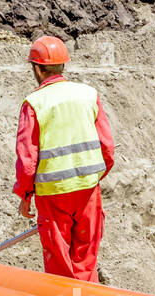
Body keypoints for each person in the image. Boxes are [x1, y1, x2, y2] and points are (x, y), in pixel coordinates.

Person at [13, 36, 115, 282]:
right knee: (86, 260)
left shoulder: (34, 103)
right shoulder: (88, 94)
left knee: (59, 264)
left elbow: (27, 159)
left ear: (37, 68)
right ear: (63, 65)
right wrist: (93, 177)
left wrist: (25, 195)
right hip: (88, 190)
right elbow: (107, 148)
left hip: (53, 194)